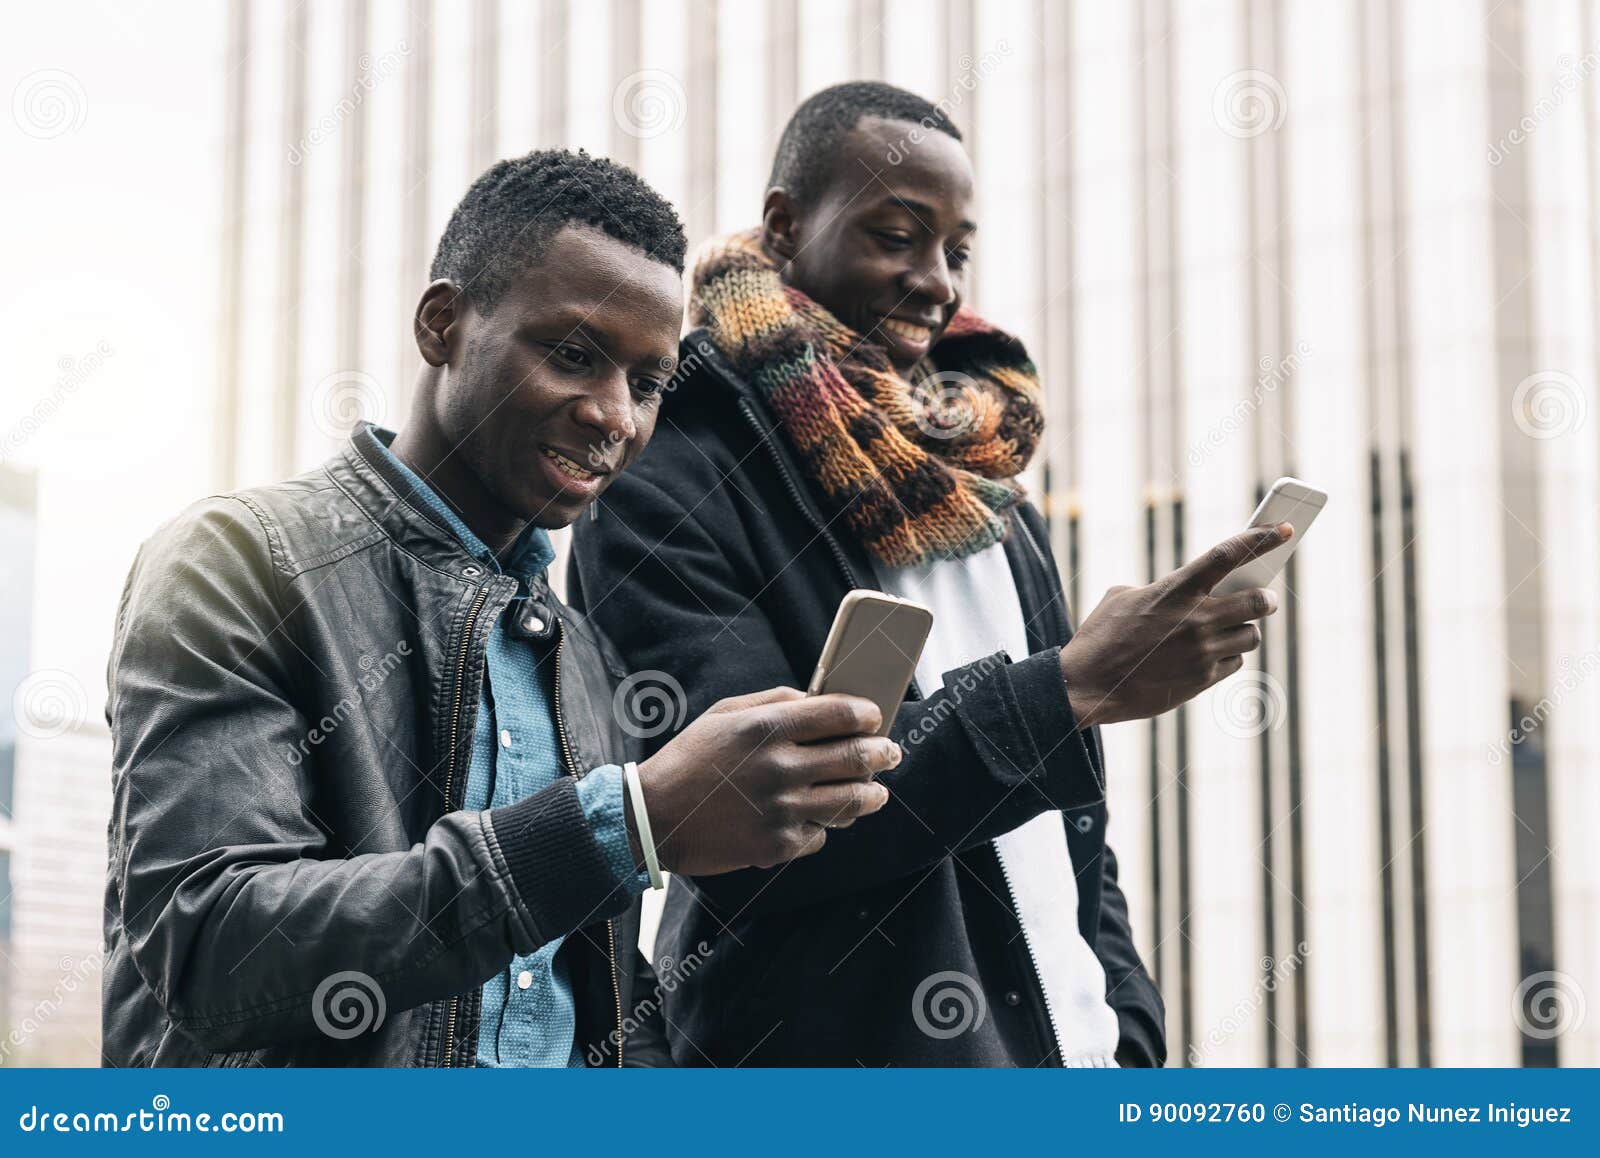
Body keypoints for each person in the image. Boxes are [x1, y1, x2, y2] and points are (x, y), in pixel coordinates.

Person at [101, 149, 898, 1068]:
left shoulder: (580, 656)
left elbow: (592, 1000)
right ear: (442, 324)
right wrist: (627, 826)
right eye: (573, 354)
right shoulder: (237, 562)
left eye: (647, 385)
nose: (615, 416)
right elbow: (211, 951)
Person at [570, 83, 1288, 1067]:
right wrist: (1066, 687)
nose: (936, 282)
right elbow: (742, 839)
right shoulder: (677, 471)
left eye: (956, 250)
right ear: (784, 228)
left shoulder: (983, 485)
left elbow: (1075, 839)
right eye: (896, 236)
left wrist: (1125, 1029)